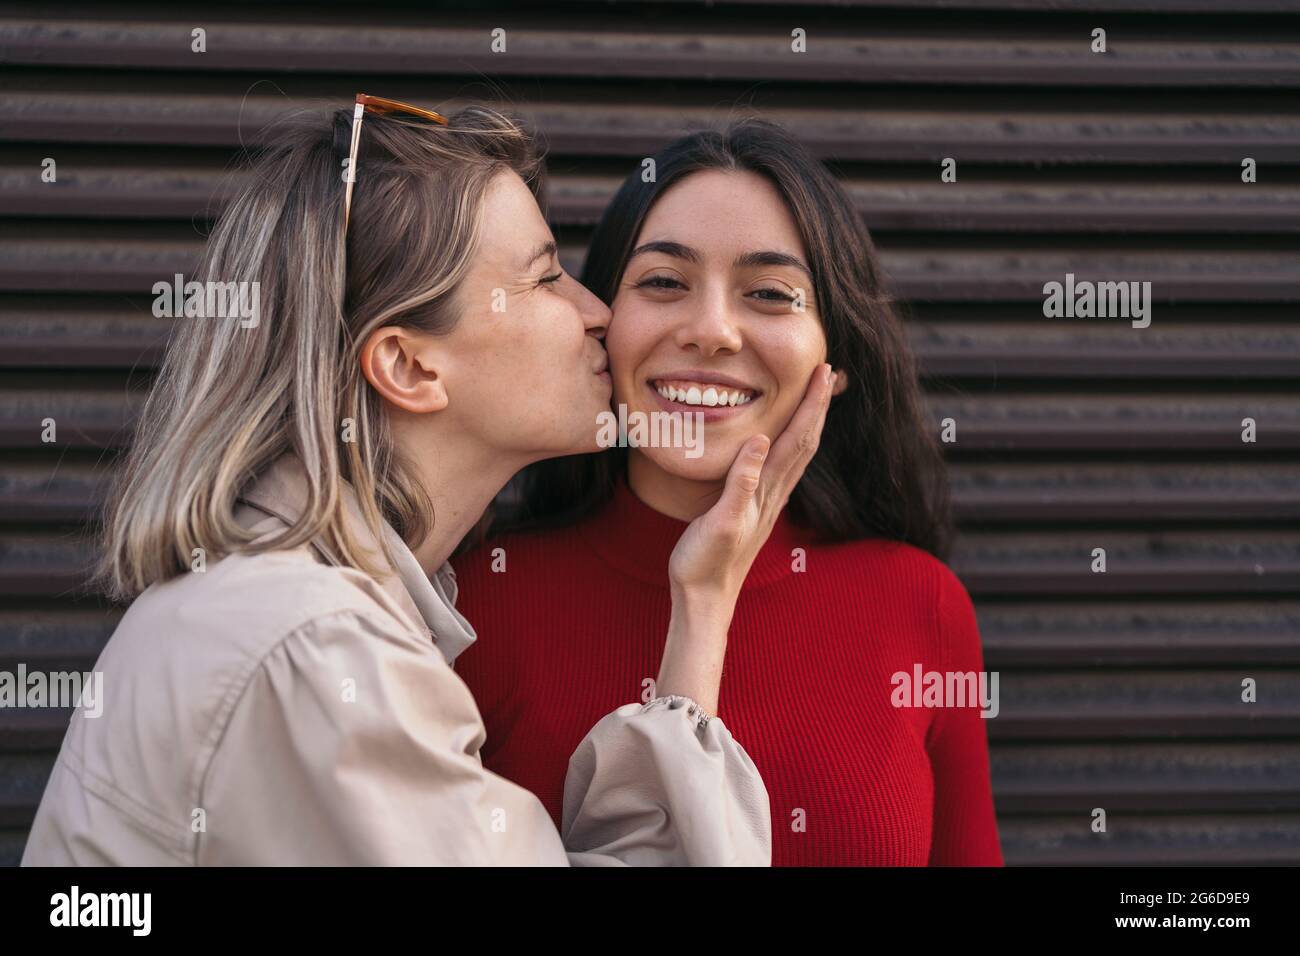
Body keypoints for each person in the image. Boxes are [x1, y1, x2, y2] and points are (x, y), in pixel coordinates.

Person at [21, 98, 832, 866]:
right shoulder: (317, 650)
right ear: (409, 366)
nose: (596, 312)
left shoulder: (301, 612)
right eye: (547, 277)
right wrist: (705, 608)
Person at [453, 120, 1004, 866]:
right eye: (663, 282)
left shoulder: (921, 605)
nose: (711, 330)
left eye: (771, 294)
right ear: (599, 327)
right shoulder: (479, 602)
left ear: (834, 359)